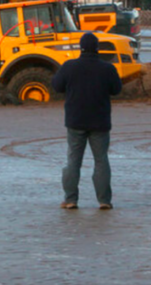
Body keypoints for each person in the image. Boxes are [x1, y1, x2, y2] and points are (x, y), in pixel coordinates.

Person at [52, 32, 122, 210]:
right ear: (97, 48)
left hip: (75, 121)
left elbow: (56, 86)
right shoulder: (107, 68)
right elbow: (116, 89)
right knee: (101, 161)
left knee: (73, 161)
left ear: (80, 48)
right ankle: (104, 200)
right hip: (100, 122)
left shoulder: (69, 67)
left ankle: (70, 200)